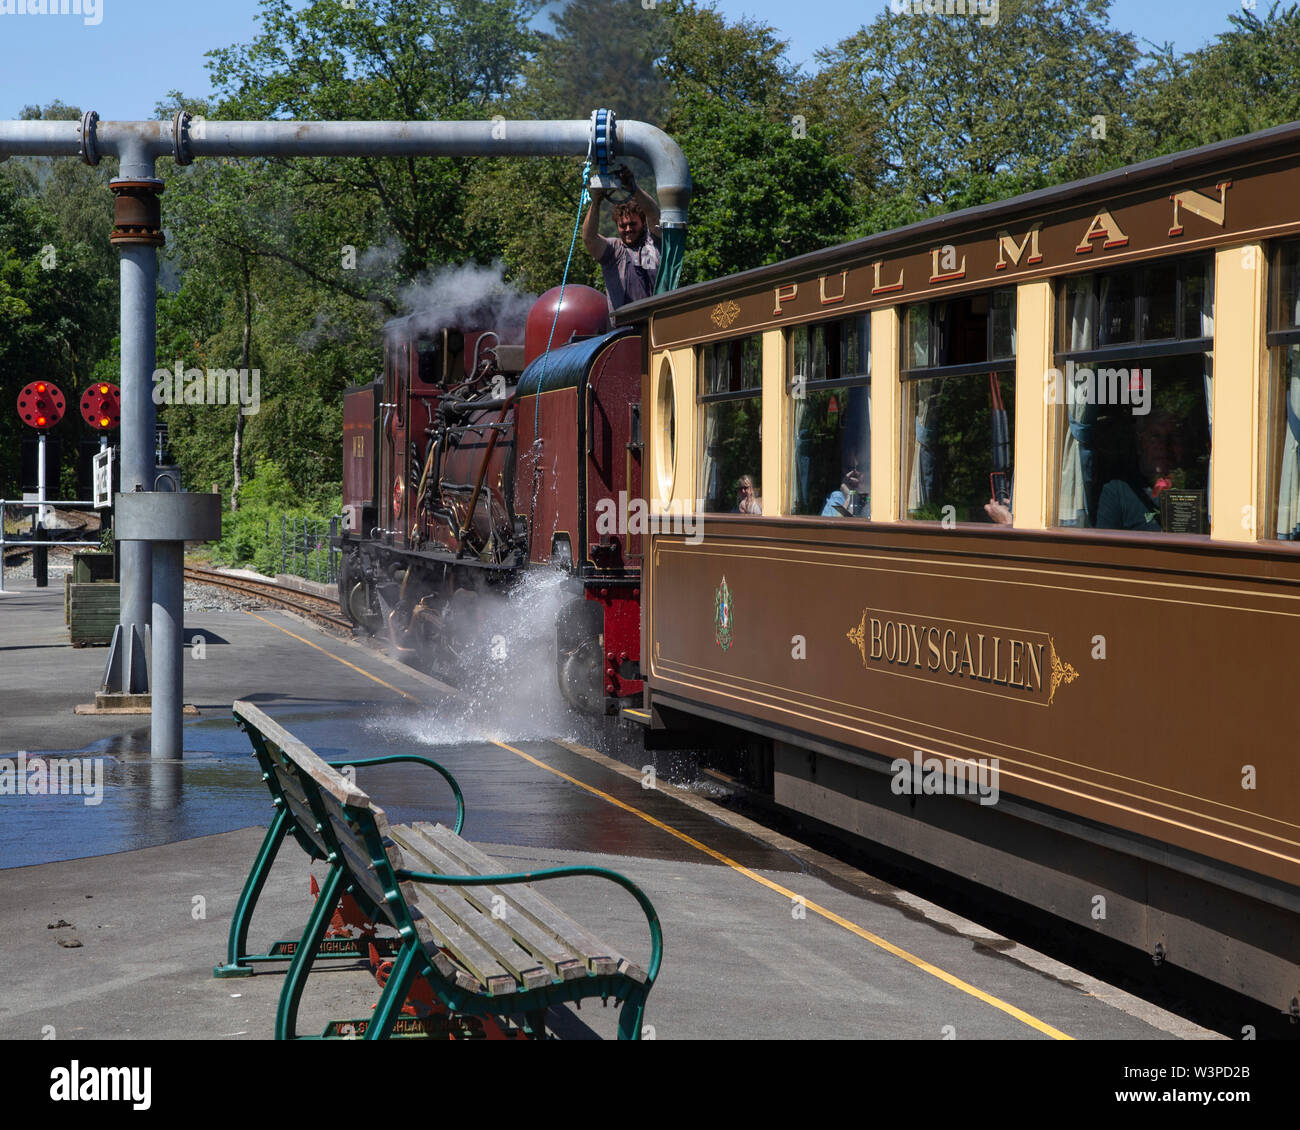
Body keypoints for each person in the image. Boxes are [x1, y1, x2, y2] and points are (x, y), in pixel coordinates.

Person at [582, 166, 661, 314]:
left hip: (657, 322)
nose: (628, 229)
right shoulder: (614, 250)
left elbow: (653, 214)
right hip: (624, 329)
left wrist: (633, 188)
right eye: (623, 225)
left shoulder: (654, 241)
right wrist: (596, 202)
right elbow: (589, 238)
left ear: (642, 223)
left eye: (632, 224)